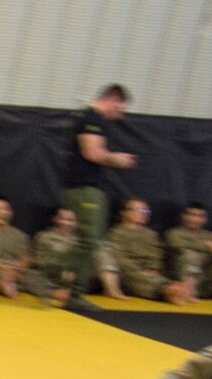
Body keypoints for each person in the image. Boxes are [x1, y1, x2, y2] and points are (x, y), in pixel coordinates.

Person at [60, 83, 137, 294]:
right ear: (112, 99)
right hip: (84, 188)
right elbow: (92, 153)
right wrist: (117, 159)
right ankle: (53, 274)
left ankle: (74, 289)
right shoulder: (91, 119)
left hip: (89, 187)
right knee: (89, 239)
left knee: (90, 241)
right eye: (120, 108)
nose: (119, 114)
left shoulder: (92, 119)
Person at [101, 198, 190, 302]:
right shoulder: (116, 233)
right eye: (139, 210)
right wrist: (138, 271)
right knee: (135, 278)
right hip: (128, 273)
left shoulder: (151, 234)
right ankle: (167, 290)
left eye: (146, 211)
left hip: (150, 273)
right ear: (124, 213)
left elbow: (157, 254)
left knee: (159, 276)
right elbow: (119, 258)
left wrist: (153, 268)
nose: (143, 214)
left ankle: (172, 288)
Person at [163, 203, 212, 301]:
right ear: (184, 216)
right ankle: (188, 292)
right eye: (192, 215)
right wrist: (210, 247)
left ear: (205, 219)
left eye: (200, 216)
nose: (195, 219)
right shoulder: (173, 233)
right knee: (191, 256)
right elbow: (179, 246)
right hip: (179, 281)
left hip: (206, 282)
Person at [22, 206, 81, 308]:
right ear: (55, 219)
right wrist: (59, 269)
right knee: (27, 275)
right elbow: (40, 260)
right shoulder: (44, 237)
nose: (65, 223)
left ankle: (69, 292)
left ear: (76, 222)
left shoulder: (81, 241)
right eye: (62, 218)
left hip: (74, 277)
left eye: (70, 220)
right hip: (51, 275)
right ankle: (52, 292)